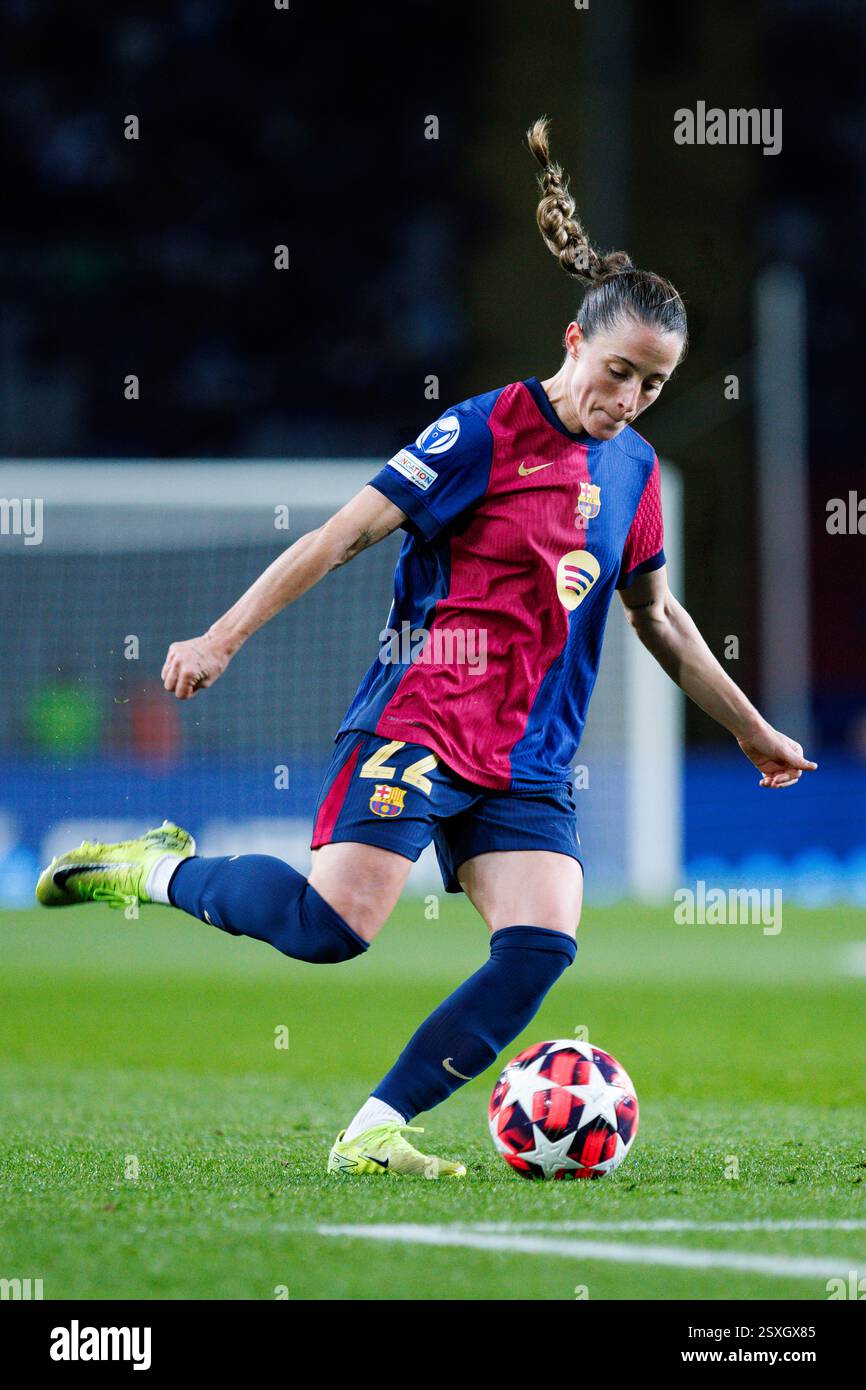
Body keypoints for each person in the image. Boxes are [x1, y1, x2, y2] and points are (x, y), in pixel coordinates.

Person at [36, 119, 816, 1179]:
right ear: (573, 340)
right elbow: (339, 535)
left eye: (653, 385)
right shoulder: (479, 433)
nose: (628, 399)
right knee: (331, 928)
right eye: (619, 371)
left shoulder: (631, 473)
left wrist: (756, 727)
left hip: (531, 755)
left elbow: (658, 619)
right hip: (423, 719)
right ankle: (155, 866)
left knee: (541, 943)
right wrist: (220, 635)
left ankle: (374, 1127)